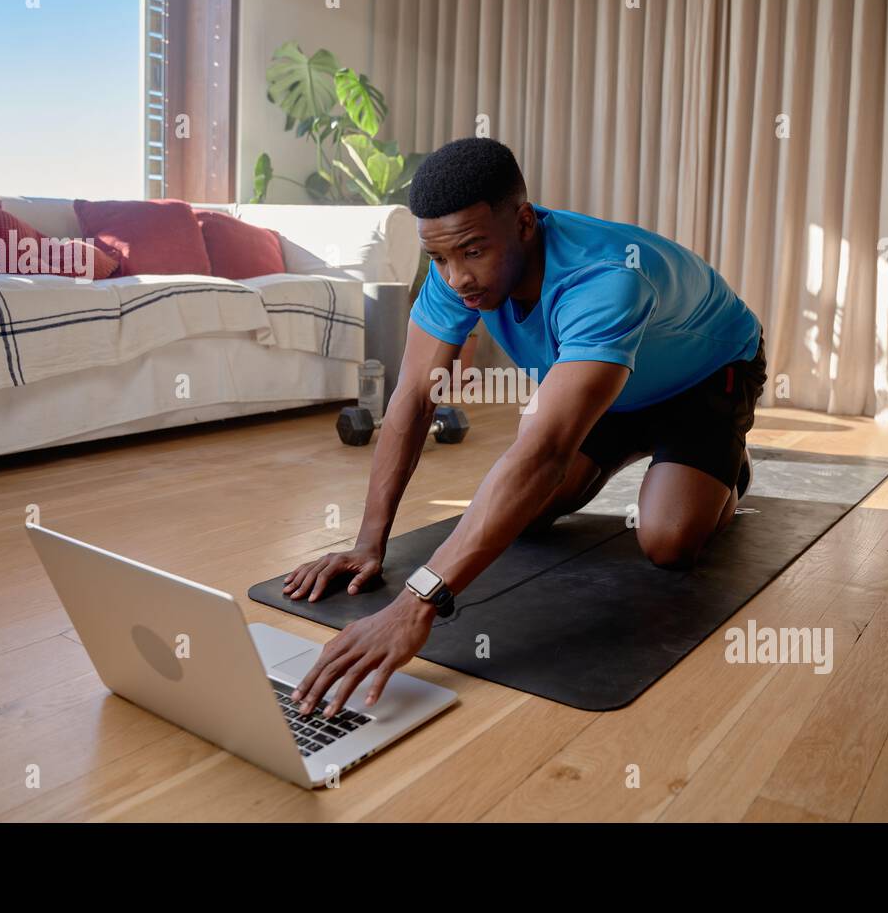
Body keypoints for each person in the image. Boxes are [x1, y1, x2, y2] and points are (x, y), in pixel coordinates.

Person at [282, 137, 766, 716]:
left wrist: (417, 603)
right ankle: (633, 440)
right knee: (527, 513)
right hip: (611, 387)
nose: (456, 276)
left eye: (472, 251)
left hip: (704, 376)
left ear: (525, 223)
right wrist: (368, 543)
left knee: (668, 542)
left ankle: (727, 467)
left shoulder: (604, 279)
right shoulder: (456, 271)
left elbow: (541, 452)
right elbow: (412, 398)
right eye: (438, 258)